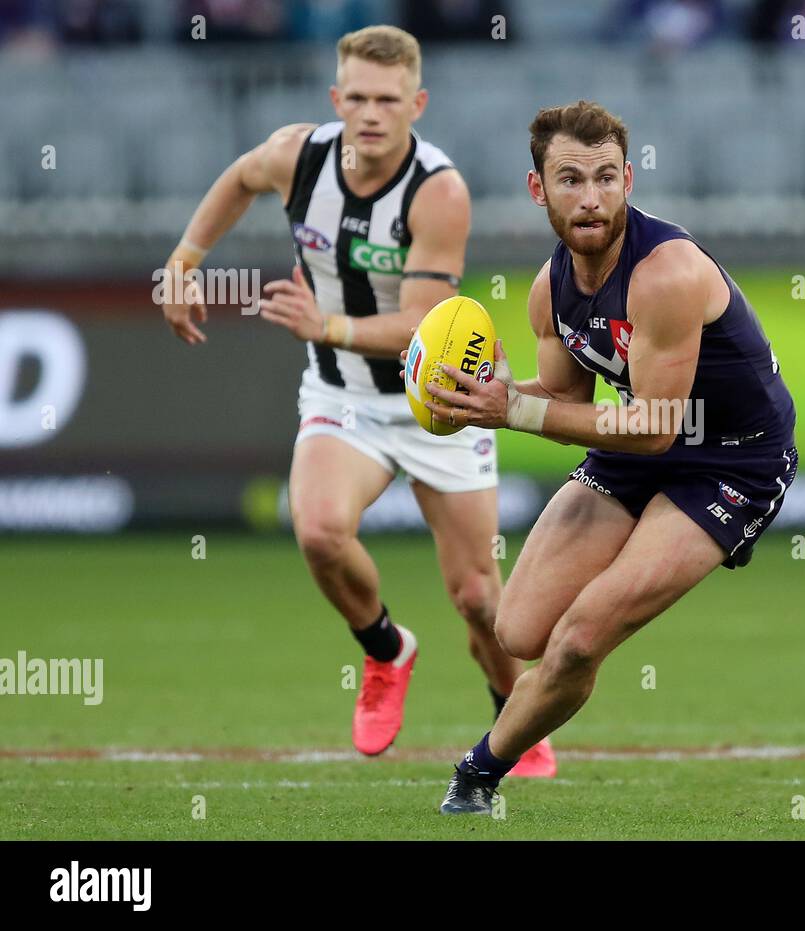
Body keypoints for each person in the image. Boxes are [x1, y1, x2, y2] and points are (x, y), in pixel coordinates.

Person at [160, 24, 554, 776]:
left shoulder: (439, 192)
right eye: (359, 99)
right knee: (317, 530)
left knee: (478, 599)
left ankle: (514, 718)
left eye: (389, 100)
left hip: (439, 403)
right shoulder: (297, 156)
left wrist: (327, 324)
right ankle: (385, 649)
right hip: (344, 397)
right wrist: (184, 258)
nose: (372, 114)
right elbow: (239, 179)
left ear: (418, 103)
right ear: (336, 99)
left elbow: (418, 326)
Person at [424, 100, 798, 814]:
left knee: (575, 642)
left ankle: (477, 773)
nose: (590, 197)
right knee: (517, 629)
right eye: (569, 180)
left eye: (605, 178)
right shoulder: (550, 288)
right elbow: (564, 396)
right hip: (635, 445)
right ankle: (510, 738)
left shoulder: (667, 272)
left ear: (629, 178)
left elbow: (655, 423)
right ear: (538, 189)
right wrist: (487, 396)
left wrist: (516, 411)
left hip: (732, 462)